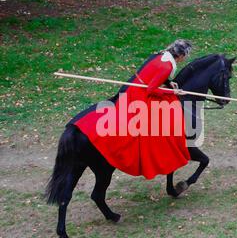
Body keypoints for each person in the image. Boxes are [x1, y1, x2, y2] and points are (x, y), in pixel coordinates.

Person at [71, 40, 193, 179]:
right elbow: (151, 89)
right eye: (185, 57)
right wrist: (173, 93)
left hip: (135, 86)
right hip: (139, 94)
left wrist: (167, 82)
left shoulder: (161, 55)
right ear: (181, 55)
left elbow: (154, 73)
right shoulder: (168, 66)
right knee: (166, 114)